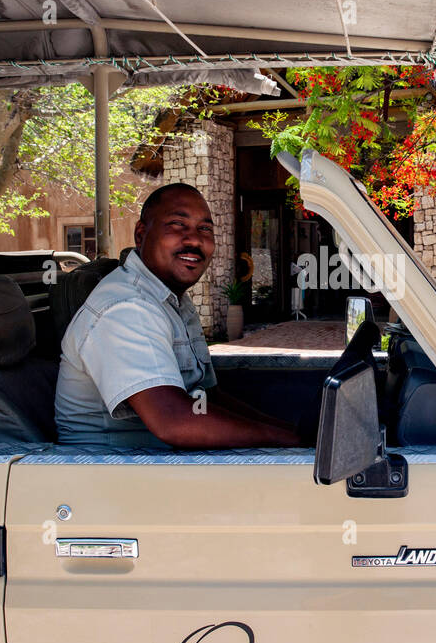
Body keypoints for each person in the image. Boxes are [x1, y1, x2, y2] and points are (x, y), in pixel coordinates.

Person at [54, 183, 300, 448]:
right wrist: (289, 440)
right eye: (177, 224)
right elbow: (174, 421)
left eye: (204, 229)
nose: (194, 239)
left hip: (161, 464)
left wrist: (288, 432)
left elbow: (206, 400)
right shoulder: (126, 307)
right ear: (141, 234)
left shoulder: (170, 301)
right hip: (113, 475)